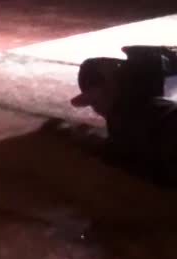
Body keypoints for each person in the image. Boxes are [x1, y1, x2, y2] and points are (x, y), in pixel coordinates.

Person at [70, 46, 177, 185]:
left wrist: (86, 139)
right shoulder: (143, 110)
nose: (96, 110)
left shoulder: (125, 117)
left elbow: (116, 154)